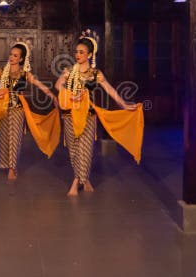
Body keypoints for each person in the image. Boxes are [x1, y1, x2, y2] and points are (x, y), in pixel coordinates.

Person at [55, 30, 139, 196]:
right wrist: (71, 95)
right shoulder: (69, 71)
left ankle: (76, 181)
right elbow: (58, 85)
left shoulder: (95, 74)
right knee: (73, 150)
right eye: (76, 52)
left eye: (81, 52)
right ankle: (85, 178)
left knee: (85, 149)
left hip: (89, 116)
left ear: (89, 55)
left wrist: (123, 104)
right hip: (70, 116)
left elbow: (110, 89)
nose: (78, 55)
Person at [0, 42, 57, 180]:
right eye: (11, 54)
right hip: (3, 109)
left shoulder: (25, 74)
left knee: (15, 138)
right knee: (5, 138)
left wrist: (53, 96)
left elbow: (40, 85)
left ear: (21, 59)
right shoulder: (1, 71)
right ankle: (7, 164)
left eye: (15, 55)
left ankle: (12, 168)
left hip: (18, 109)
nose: (11, 57)